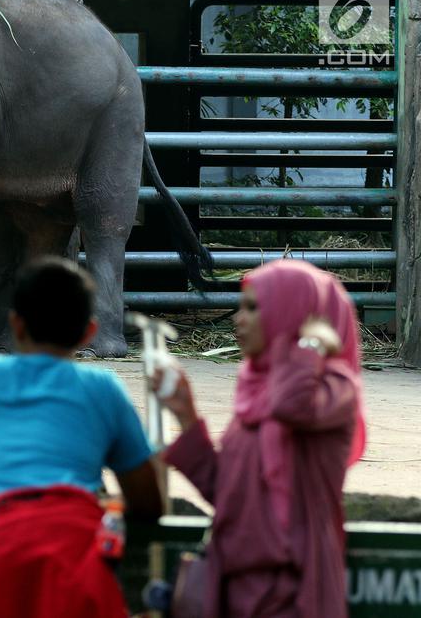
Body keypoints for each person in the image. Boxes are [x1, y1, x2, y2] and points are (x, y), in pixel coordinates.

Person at [0, 256, 164, 617]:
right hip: (74, 552)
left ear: (15, 324)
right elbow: (148, 501)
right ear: (89, 332)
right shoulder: (102, 388)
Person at [157, 259, 366, 618]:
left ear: (296, 313)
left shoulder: (334, 388)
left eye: (254, 307)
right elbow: (226, 494)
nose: (239, 319)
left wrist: (308, 344)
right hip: (233, 590)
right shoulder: (255, 395)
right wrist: (185, 415)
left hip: (293, 592)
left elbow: (293, 407)